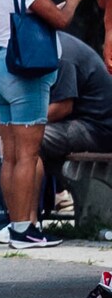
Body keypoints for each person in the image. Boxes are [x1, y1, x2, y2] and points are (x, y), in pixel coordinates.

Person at [0, 0, 84, 248]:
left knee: (10, 155)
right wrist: (72, 1)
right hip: (23, 71)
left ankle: (16, 226)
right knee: (27, 154)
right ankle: (25, 229)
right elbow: (60, 20)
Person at [40, 33, 112, 193]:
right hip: (76, 122)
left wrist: (20, 121)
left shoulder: (63, 54)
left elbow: (62, 108)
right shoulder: (46, 46)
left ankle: (26, 215)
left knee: (29, 140)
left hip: (96, 129)